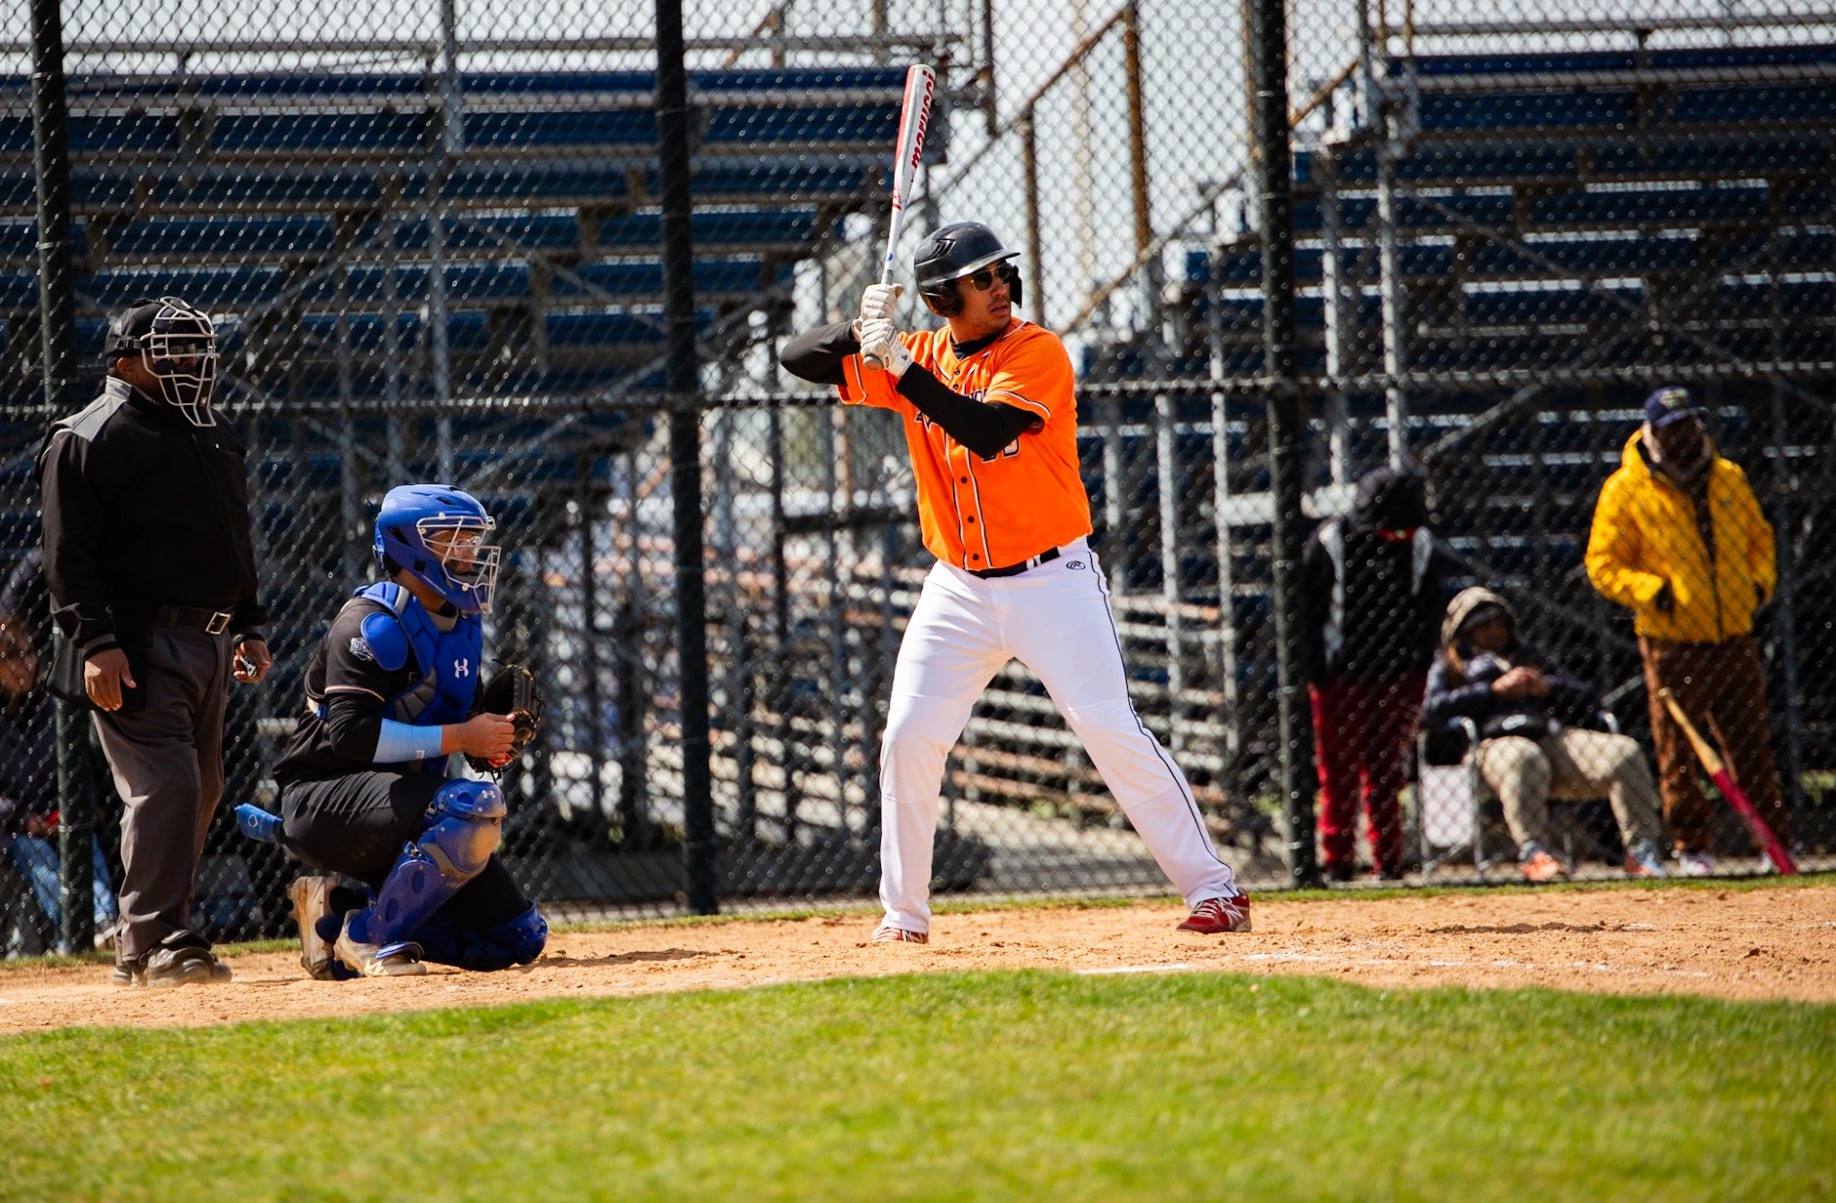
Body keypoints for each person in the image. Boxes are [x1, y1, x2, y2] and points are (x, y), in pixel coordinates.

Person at [778, 220, 1250, 942]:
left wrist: (901, 368)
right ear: (941, 298)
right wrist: (856, 327)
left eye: (1001, 273)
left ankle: (1216, 890)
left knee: (1108, 726)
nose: (1000, 286)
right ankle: (903, 915)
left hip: (1051, 580)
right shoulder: (924, 351)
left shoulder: (1036, 351)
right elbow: (794, 358)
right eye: (981, 278)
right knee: (908, 734)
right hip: (958, 588)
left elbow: (987, 431)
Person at [36, 296, 272, 986]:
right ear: (125, 361)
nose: (192, 363)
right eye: (173, 352)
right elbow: (66, 556)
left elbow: (235, 536)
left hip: (211, 638)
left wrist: (250, 621)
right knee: (166, 783)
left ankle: (156, 934)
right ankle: (156, 938)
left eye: (197, 349)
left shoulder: (212, 428)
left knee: (202, 789)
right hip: (135, 641)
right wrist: (95, 643)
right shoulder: (91, 433)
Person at [240, 483, 547, 978]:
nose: (469, 552)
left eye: (472, 539)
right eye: (453, 540)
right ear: (410, 548)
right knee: (473, 806)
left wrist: (495, 743)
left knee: (517, 937)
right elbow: (351, 735)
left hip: (411, 810)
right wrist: (462, 738)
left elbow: (465, 736)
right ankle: (371, 939)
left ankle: (335, 915)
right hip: (323, 799)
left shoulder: (462, 624)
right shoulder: (371, 624)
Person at [1585, 385, 1787, 876]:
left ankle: (1774, 845)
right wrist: (1654, 591)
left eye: (1690, 424)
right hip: (1671, 644)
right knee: (1678, 753)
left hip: (1733, 637)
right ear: (1652, 432)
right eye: (1672, 427)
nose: (1684, 435)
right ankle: (1692, 846)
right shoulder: (1626, 488)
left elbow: (1761, 542)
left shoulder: (1728, 478)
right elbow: (1602, 563)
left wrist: (1757, 586)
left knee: (1751, 746)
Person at [1421, 587, 1670, 882]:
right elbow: (1431, 710)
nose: (1493, 632)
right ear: (1463, 632)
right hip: (1493, 745)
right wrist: (1492, 691)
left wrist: (1547, 686)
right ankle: (1534, 853)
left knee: (1624, 751)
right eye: (1483, 626)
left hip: (1549, 737)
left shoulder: (1527, 655)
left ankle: (1641, 851)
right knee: (1525, 756)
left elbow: (1589, 697)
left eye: (1499, 623)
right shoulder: (1451, 665)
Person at [1297, 466, 1454, 881]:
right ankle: (1338, 864)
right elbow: (1306, 620)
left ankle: (1388, 863)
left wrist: (1417, 672)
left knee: (1388, 772)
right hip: (1339, 680)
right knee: (1338, 774)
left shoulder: (1420, 545)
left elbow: (1428, 615)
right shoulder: (1330, 543)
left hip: (1399, 677)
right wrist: (1319, 675)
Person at [0, 589, 120, 954]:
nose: (25, 666)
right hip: (11, 830)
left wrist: (66, 810)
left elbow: (73, 768)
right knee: (36, 856)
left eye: (29, 653)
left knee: (84, 844)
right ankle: (83, 930)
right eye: (11, 656)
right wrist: (22, 817)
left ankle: (104, 925)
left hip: (52, 818)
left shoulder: (48, 707)